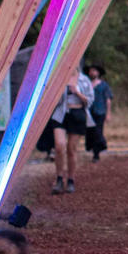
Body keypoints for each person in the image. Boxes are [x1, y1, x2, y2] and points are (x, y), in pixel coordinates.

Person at [50, 63, 94, 194]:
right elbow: (53, 99)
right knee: (59, 146)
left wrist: (77, 92)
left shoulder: (84, 80)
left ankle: (70, 180)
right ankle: (59, 178)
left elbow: (90, 100)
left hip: (78, 114)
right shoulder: (60, 77)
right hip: (61, 114)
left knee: (71, 150)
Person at [85, 63, 113, 162]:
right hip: (88, 112)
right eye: (90, 71)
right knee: (90, 132)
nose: (92, 72)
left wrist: (108, 113)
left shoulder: (104, 85)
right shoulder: (86, 84)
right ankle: (93, 148)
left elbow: (108, 100)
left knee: (98, 131)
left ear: (98, 73)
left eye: (94, 70)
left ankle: (97, 153)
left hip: (100, 112)